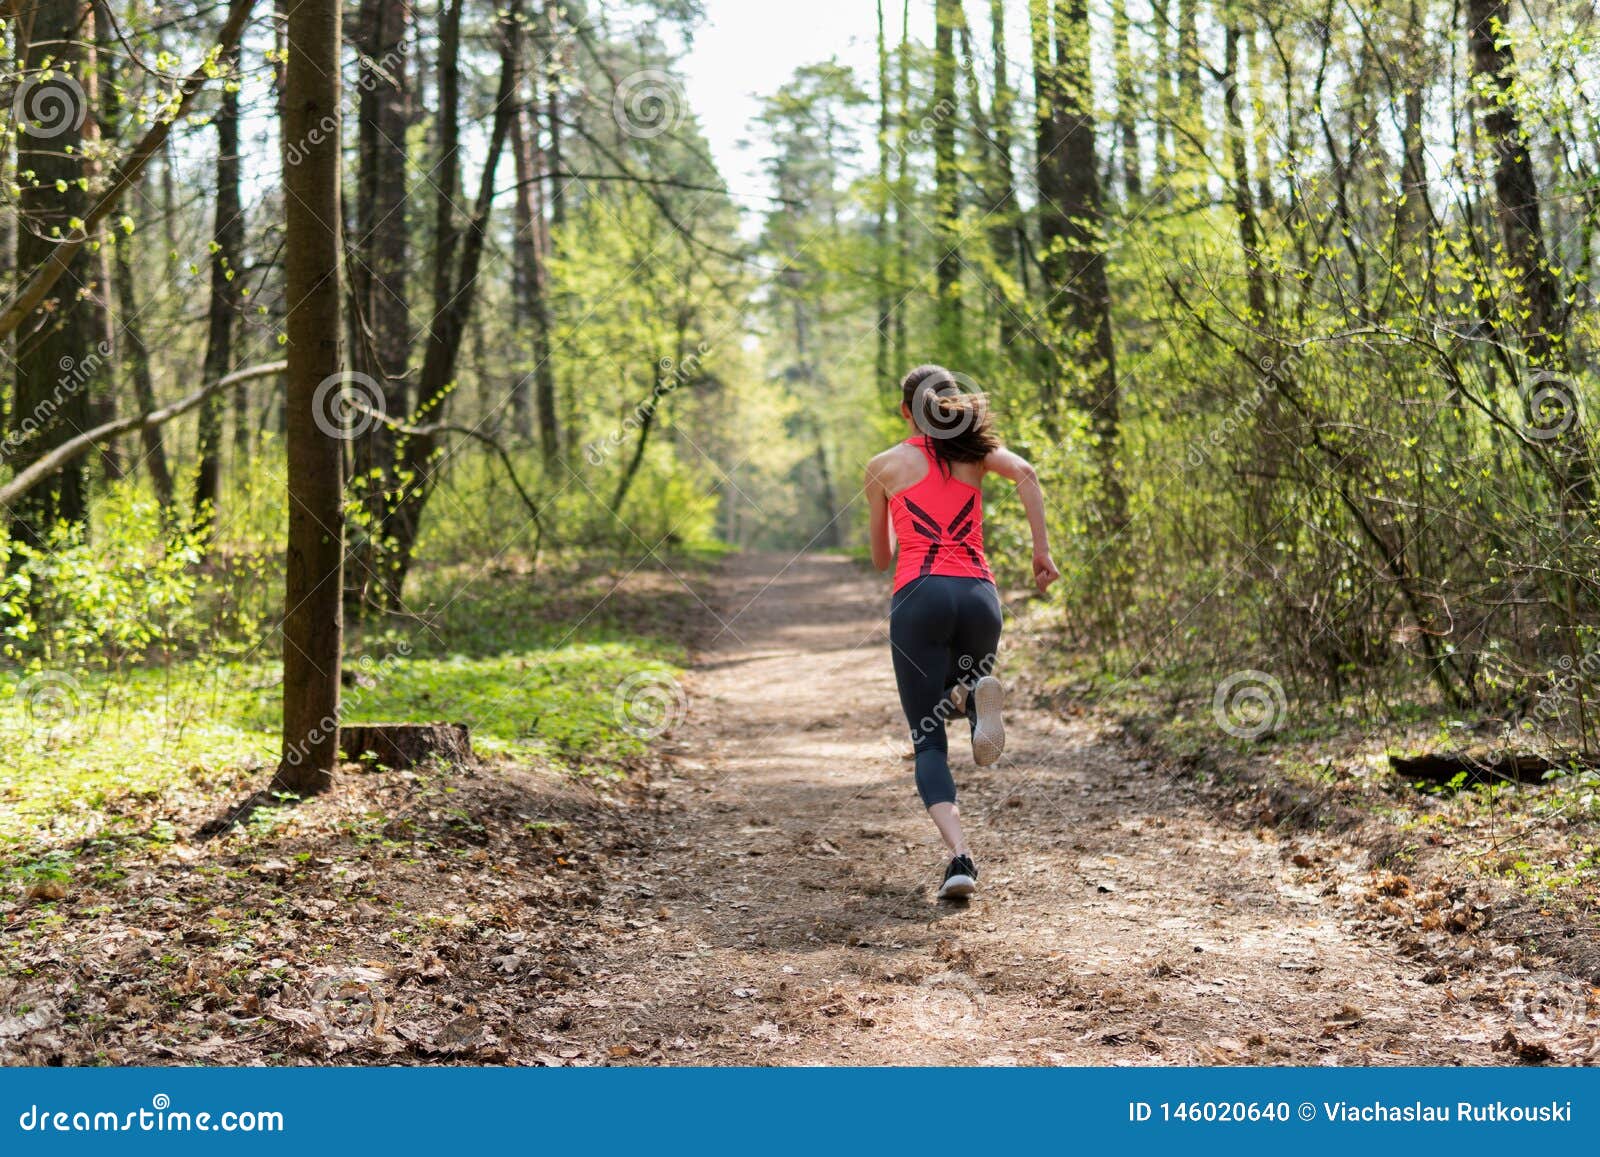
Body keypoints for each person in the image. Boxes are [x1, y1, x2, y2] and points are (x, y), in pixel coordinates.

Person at [864, 365, 1059, 900]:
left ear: (907, 412)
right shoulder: (975, 453)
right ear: (949, 405)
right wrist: (1041, 552)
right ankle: (973, 699)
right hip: (979, 597)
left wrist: (886, 517)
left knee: (928, 741)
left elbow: (882, 560)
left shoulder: (883, 466)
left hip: (919, 597)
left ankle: (959, 858)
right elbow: (1027, 473)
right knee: (963, 679)